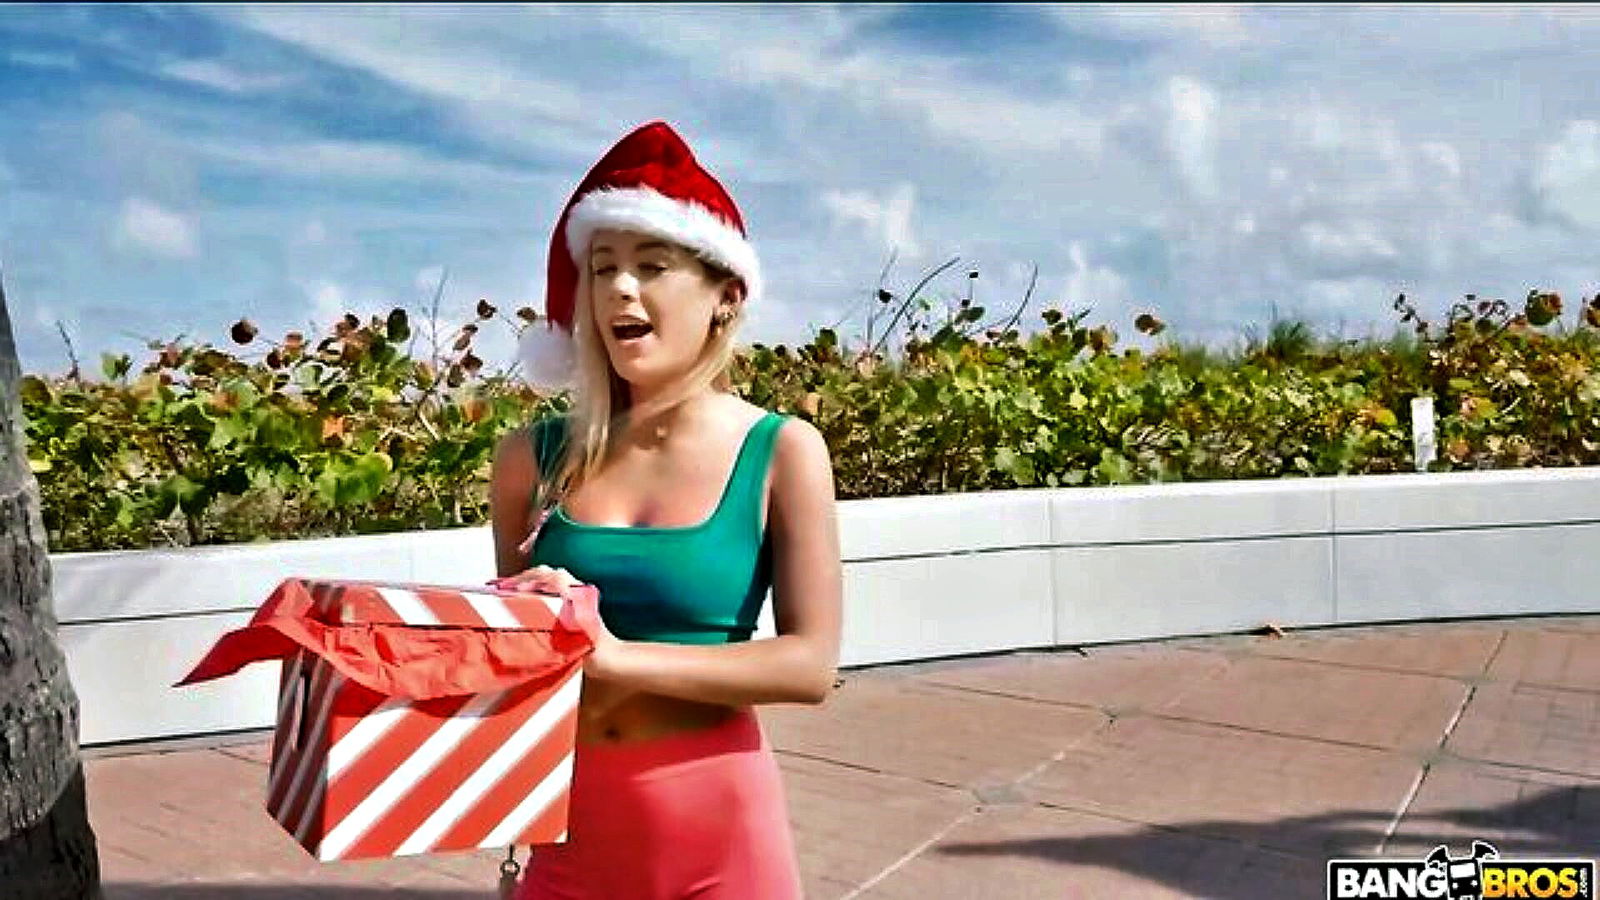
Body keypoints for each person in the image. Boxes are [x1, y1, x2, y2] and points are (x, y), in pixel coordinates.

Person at [487, 120, 843, 900]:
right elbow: (515, 672)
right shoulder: (529, 460)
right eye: (602, 268)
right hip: (569, 841)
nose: (619, 287)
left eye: (652, 266)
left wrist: (615, 656)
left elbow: (811, 664)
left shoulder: (783, 451)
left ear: (726, 296)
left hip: (723, 845)